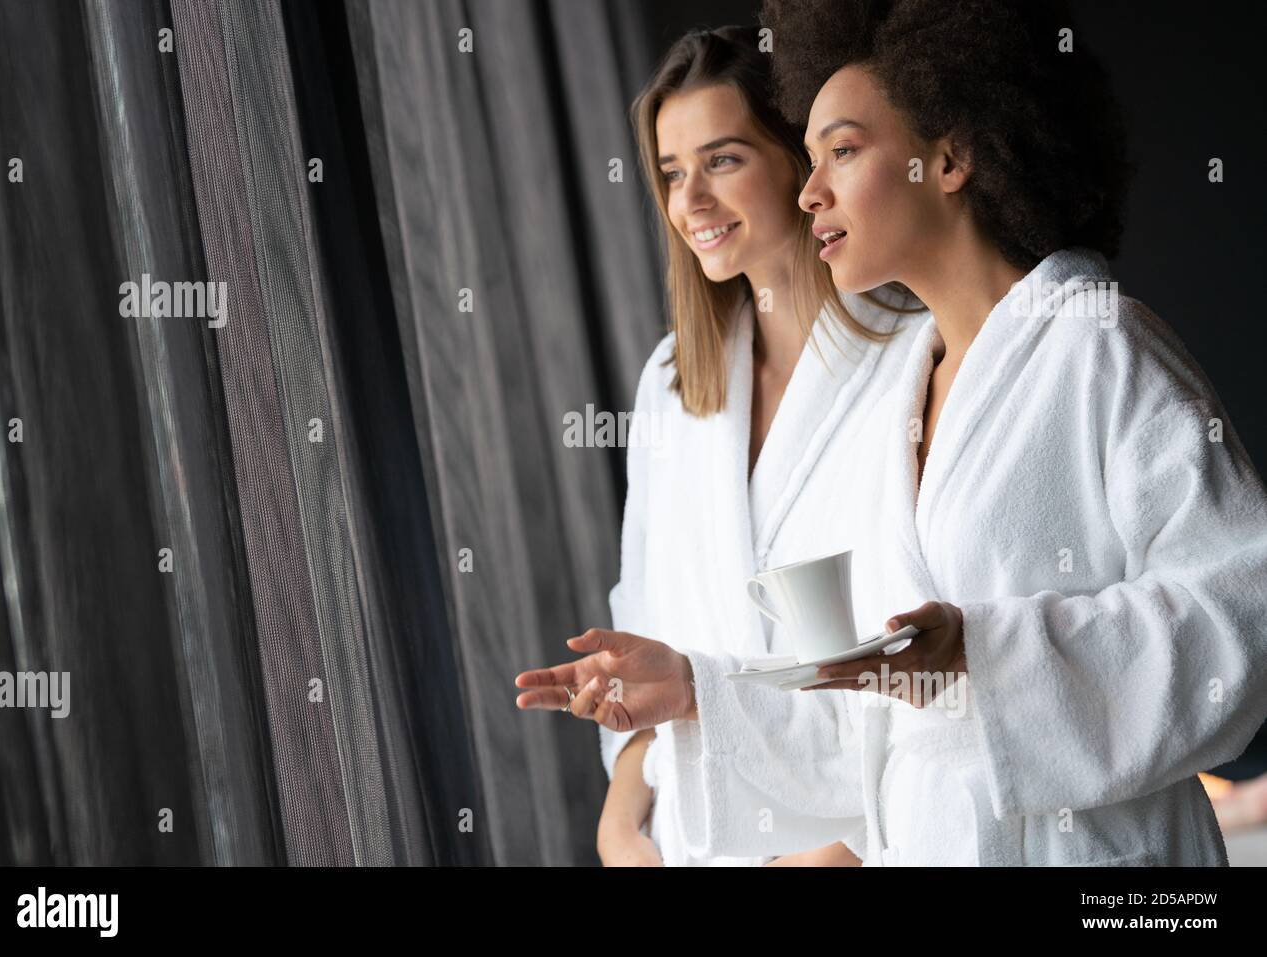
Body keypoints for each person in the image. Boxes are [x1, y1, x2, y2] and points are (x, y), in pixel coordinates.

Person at [518, 0, 1267, 866]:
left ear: (949, 157)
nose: (811, 192)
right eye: (810, 159)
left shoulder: (1097, 345)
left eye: (841, 150)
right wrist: (696, 692)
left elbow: (1243, 604)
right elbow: (872, 721)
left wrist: (986, 653)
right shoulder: (901, 407)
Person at [593, 25, 923, 866]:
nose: (691, 201)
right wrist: (623, 806)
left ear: (798, 160)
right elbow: (645, 615)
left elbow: (925, 647)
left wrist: (832, 853)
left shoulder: (913, 358)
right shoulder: (671, 385)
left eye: (724, 159)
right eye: (672, 173)